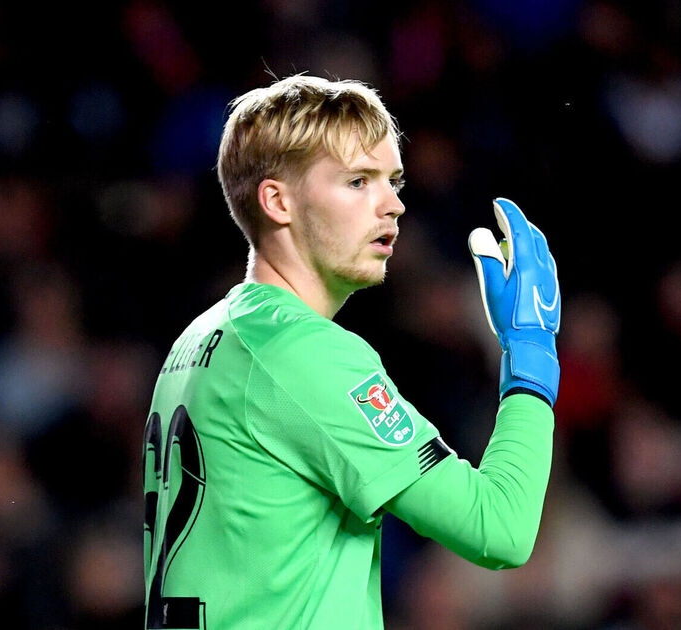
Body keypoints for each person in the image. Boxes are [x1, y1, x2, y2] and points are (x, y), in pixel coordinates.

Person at [142, 74, 562, 629]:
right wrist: (531, 355)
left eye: (394, 181)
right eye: (359, 181)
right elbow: (499, 528)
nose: (393, 205)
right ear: (278, 200)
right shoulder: (303, 352)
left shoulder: (197, 340)